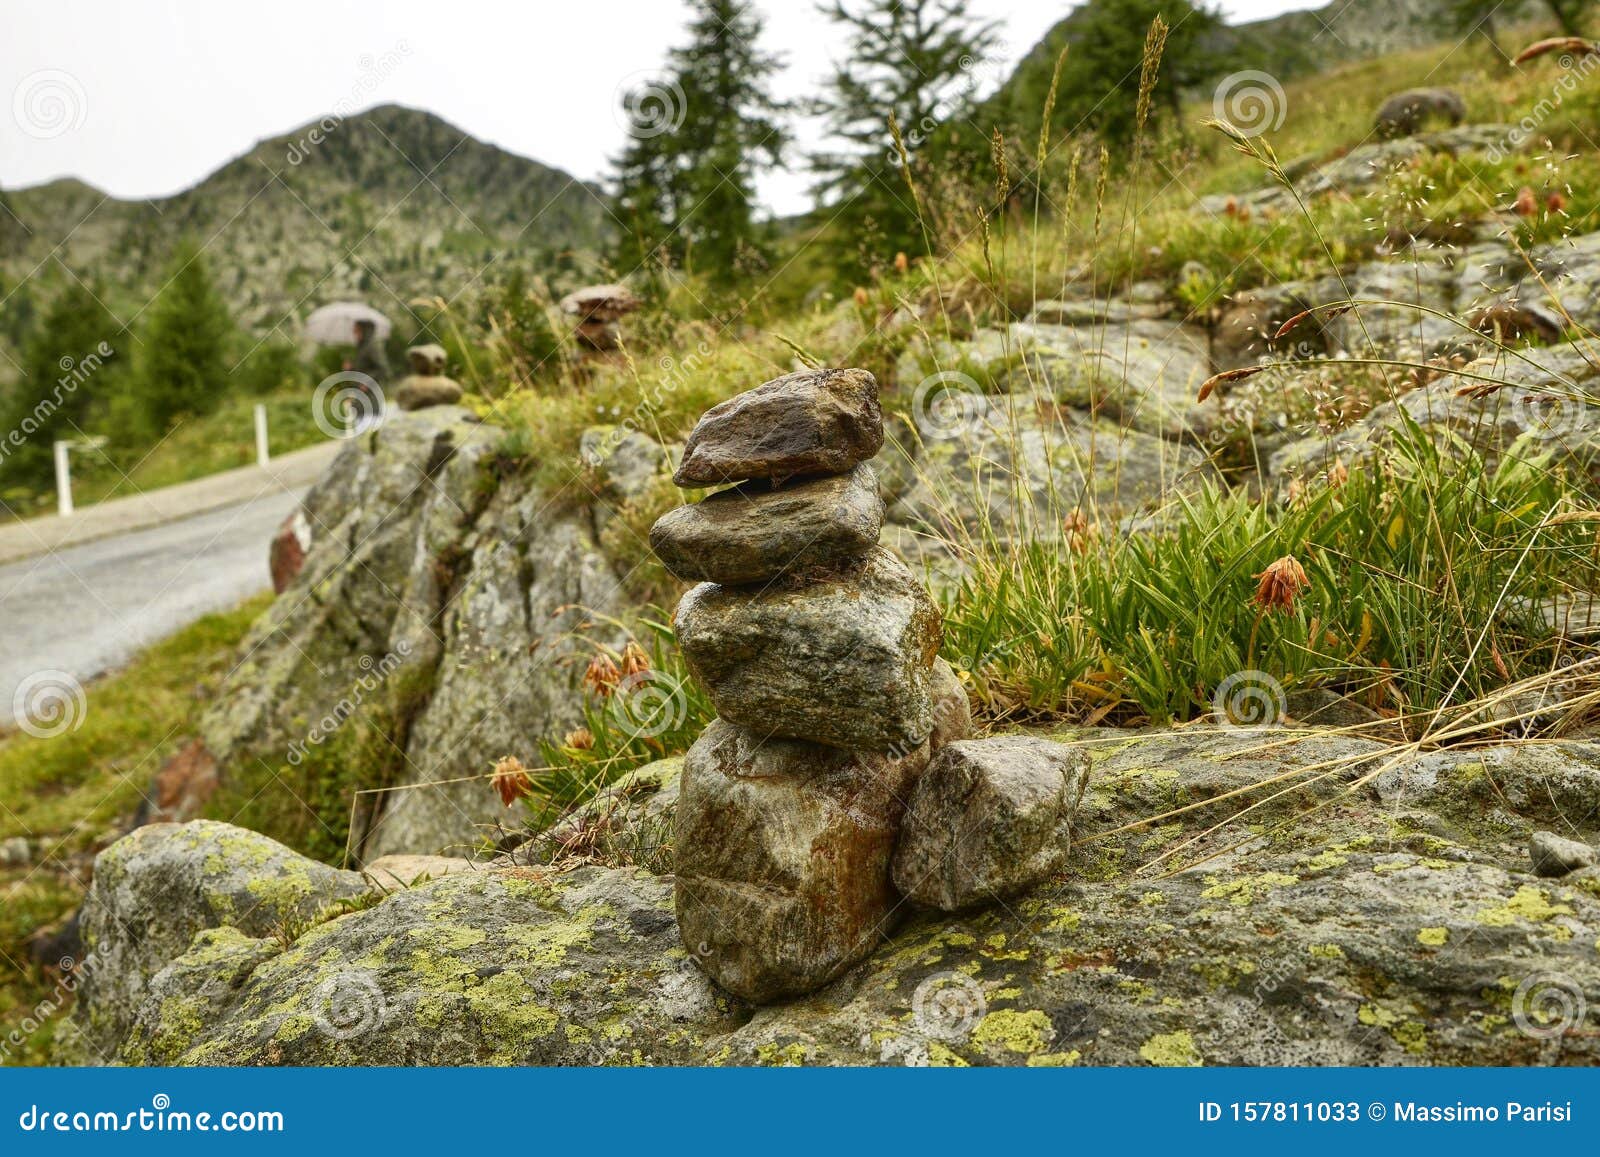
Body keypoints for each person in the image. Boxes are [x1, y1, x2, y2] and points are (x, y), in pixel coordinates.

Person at [345, 318, 389, 432]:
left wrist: (367, 382)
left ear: (365, 330)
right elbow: (362, 371)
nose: (354, 333)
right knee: (360, 435)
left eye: (357, 330)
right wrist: (350, 369)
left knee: (370, 435)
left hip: (372, 400)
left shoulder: (373, 347)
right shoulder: (361, 348)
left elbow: (382, 369)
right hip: (360, 400)